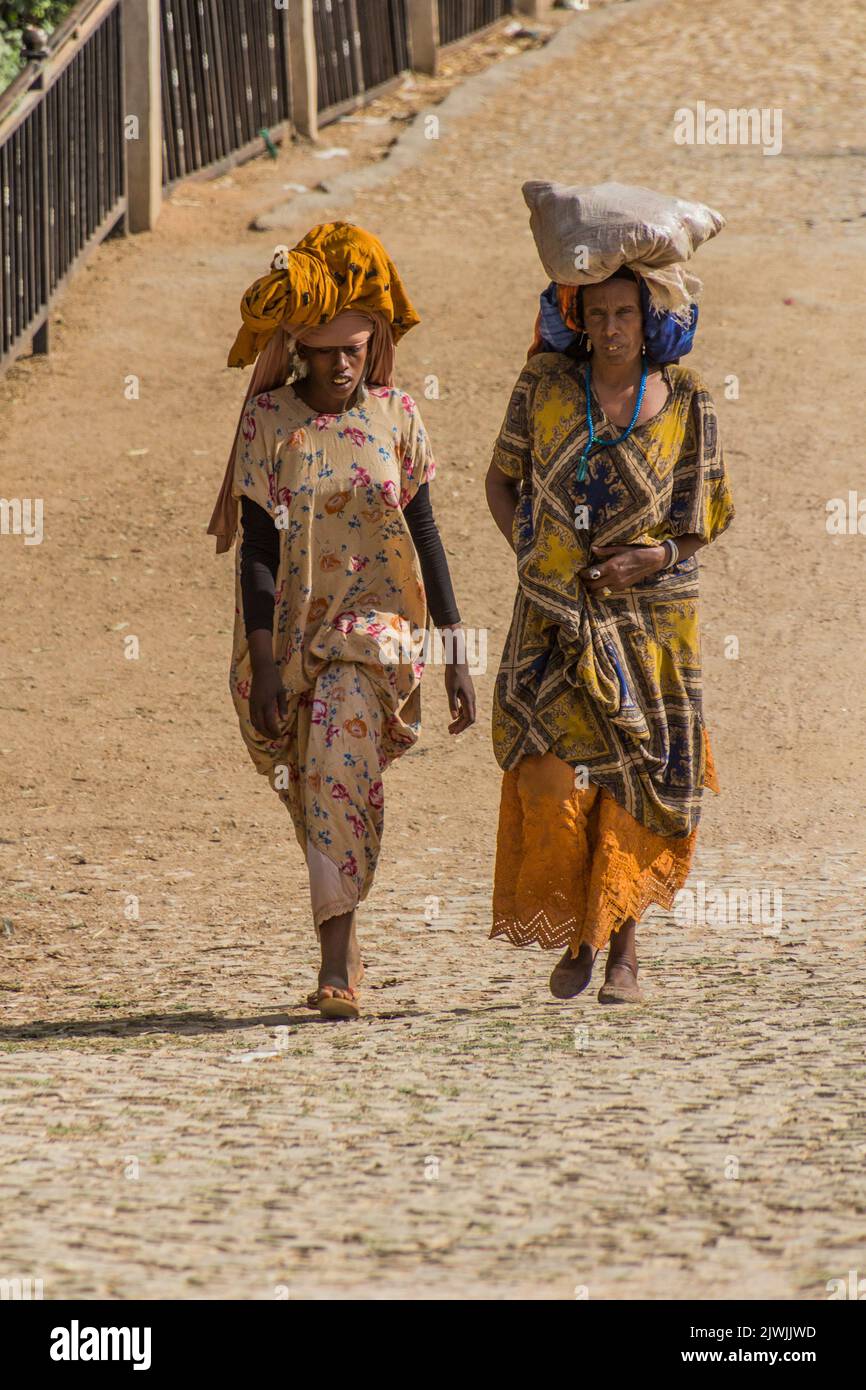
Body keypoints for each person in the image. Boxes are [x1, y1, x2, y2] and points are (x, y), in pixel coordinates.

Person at [209, 222, 475, 1019]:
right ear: (298, 350)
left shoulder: (398, 419)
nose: (340, 361)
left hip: (377, 639)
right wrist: (262, 660)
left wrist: (457, 651)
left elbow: (424, 533)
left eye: (354, 345)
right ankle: (346, 928)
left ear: (375, 344)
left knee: (335, 758)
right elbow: (255, 549)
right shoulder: (270, 425)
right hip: (290, 641)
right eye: (324, 348)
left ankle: (334, 961)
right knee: (314, 784)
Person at [485, 264, 734, 1003]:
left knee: (636, 784)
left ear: (647, 318)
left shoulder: (687, 399)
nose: (611, 329)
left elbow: (710, 513)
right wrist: (530, 553)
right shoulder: (543, 390)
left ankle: (621, 951)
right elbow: (501, 479)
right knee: (557, 778)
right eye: (597, 315)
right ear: (579, 319)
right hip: (555, 619)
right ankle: (579, 932)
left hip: (653, 625)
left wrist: (650, 558)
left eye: (625, 313)